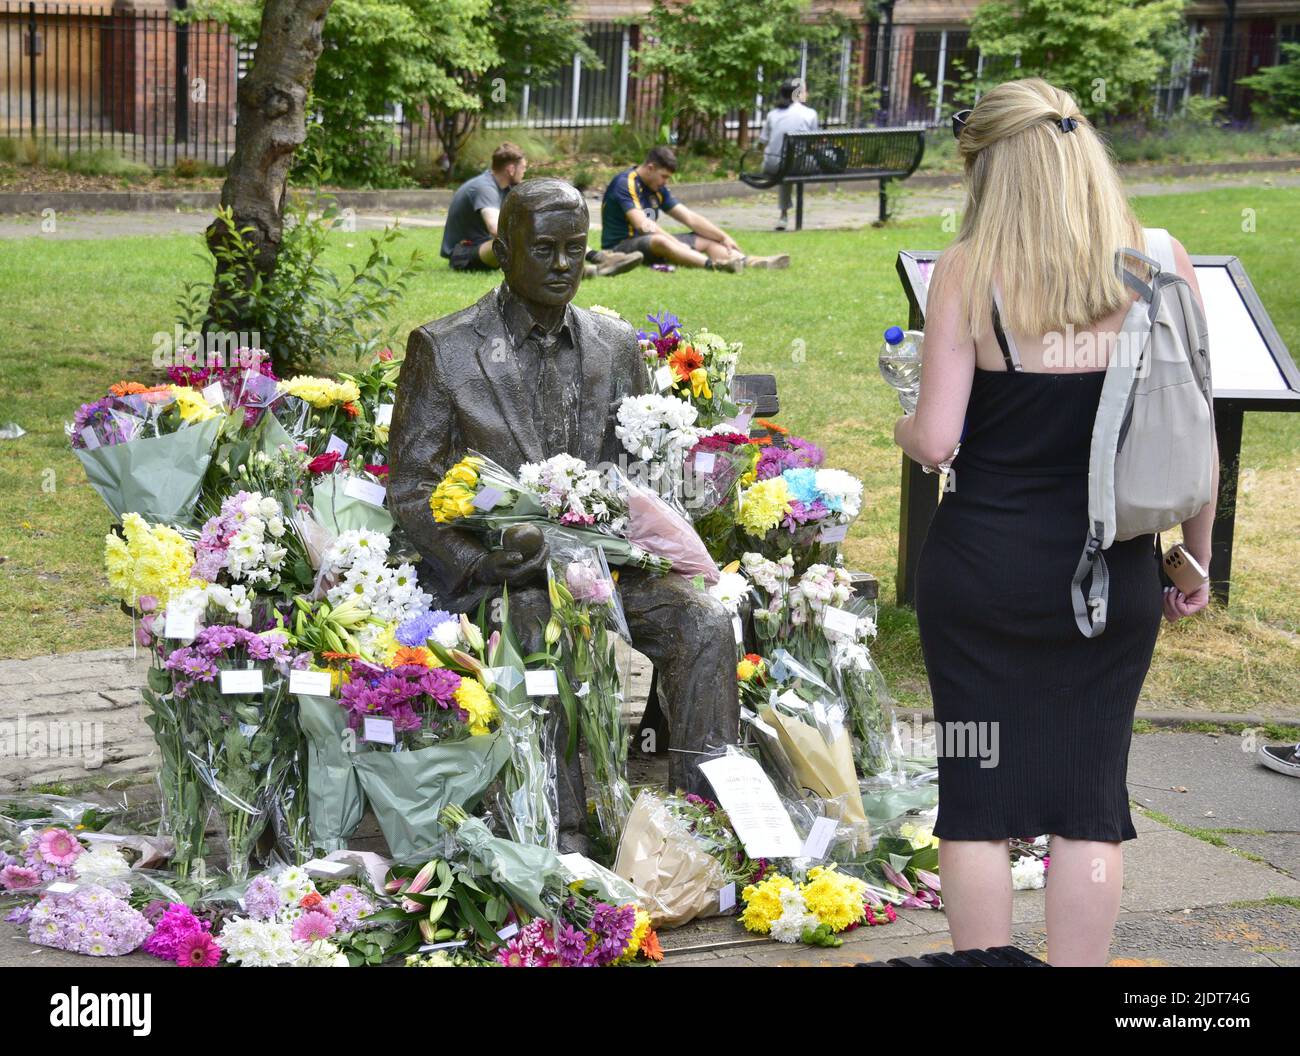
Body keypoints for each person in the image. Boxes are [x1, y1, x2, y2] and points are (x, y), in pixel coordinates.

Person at [892, 78, 1219, 967]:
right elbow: (1194, 431)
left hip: (982, 571)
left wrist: (900, 419)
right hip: (1112, 570)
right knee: (1090, 802)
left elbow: (935, 441)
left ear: (991, 170)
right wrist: (1196, 557)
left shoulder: (967, 271)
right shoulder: (1157, 260)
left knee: (977, 798)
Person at [389, 178, 740, 855]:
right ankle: (560, 827)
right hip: (509, 574)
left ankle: (705, 824)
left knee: (704, 618)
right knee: (531, 621)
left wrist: (673, 496)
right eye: (543, 249)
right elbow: (410, 484)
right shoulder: (446, 348)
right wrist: (477, 559)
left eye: (575, 250)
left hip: (612, 565)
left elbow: (640, 466)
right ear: (504, 248)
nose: (561, 265)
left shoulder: (613, 342)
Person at [441, 142, 643, 277]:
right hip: (463, 253)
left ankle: (597, 262)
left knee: (541, 232)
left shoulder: (506, 187)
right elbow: (495, 229)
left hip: (484, 248)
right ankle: (593, 266)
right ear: (511, 169)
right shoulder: (484, 187)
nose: (525, 171)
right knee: (516, 238)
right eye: (523, 167)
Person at [600, 145, 789, 273]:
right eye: (664, 176)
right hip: (621, 247)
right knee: (661, 241)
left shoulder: (656, 188)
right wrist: (675, 242)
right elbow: (643, 225)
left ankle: (751, 261)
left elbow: (689, 217)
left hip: (649, 242)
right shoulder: (625, 183)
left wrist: (722, 236)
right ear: (650, 167)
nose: (666, 182)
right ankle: (715, 266)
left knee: (706, 240)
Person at [757, 78, 819, 230]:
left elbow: (762, 142)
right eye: (804, 90)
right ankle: (784, 216)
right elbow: (814, 142)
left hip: (772, 166)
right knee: (795, 163)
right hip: (797, 165)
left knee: (786, 167)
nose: (807, 92)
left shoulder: (772, 114)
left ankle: (783, 216)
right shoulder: (810, 114)